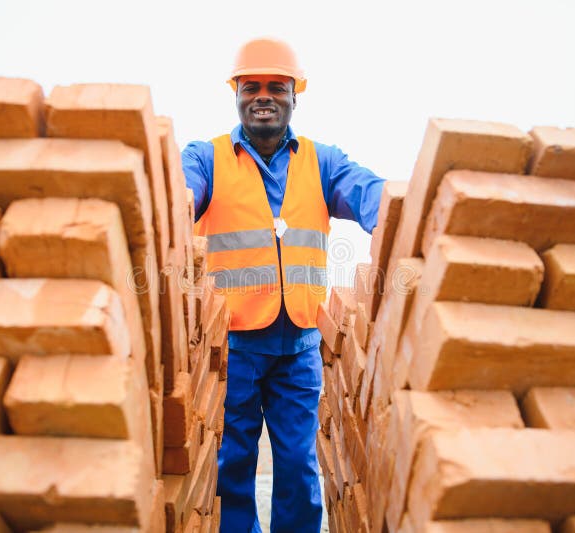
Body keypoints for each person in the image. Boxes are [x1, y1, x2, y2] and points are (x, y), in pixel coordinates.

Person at [182, 37, 385, 533]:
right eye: (251, 86)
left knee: (297, 465)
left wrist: (408, 220)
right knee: (232, 463)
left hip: (298, 347)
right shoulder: (206, 158)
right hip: (235, 346)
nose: (263, 96)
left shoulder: (322, 161)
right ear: (236, 93)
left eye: (276, 87)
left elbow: (370, 194)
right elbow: (179, 196)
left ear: (295, 95)